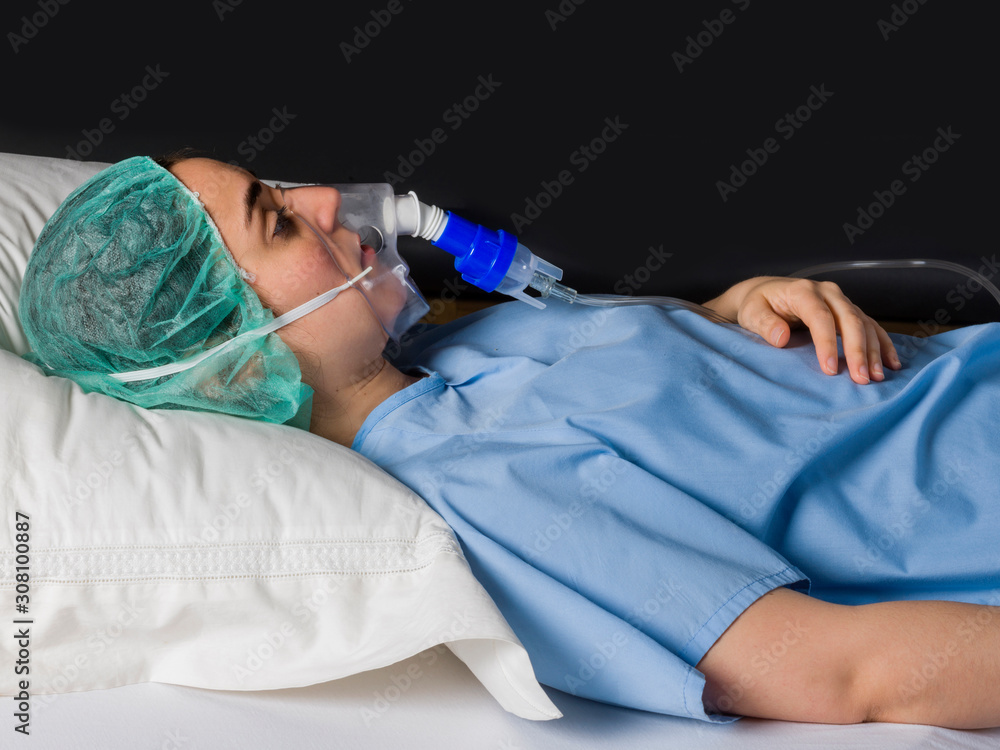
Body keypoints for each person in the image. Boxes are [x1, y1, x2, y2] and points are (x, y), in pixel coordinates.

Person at [19, 154, 1000, 728]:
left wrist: (732, 318)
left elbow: (665, 416)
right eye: (276, 222)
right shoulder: (484, 494)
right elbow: (842, 671)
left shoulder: (453, 341)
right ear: (230, 360)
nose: (325, 198)